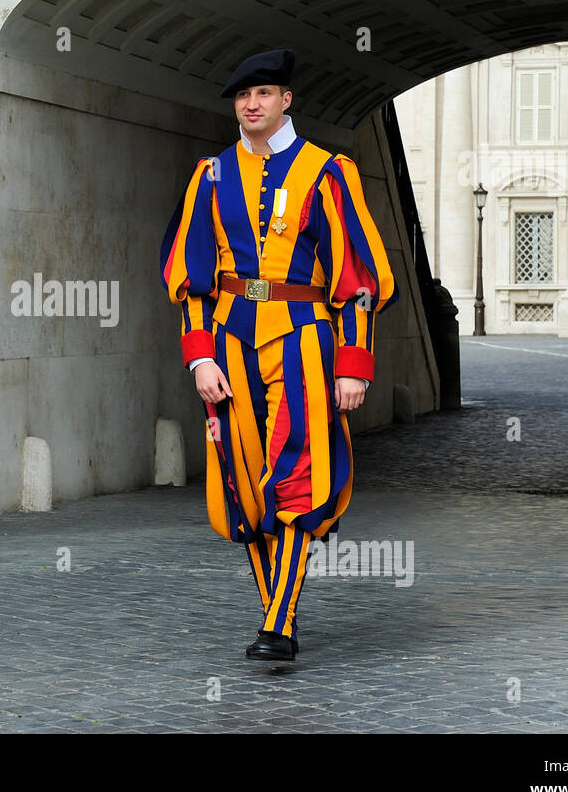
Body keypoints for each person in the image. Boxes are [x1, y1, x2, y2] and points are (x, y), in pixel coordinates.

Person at [159, 49, 397, 661]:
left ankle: (279, 624)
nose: (252, 104)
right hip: (229, 339)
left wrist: (353, 363)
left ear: (286, 100)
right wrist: (198, 359)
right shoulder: (208, 175)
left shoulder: (327, 171)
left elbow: (358, 278)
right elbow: (191, 276)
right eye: (242, 96)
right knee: (242, 482)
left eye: (264, 93)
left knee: (297, 470)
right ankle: (276, 613)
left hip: (305, 338)